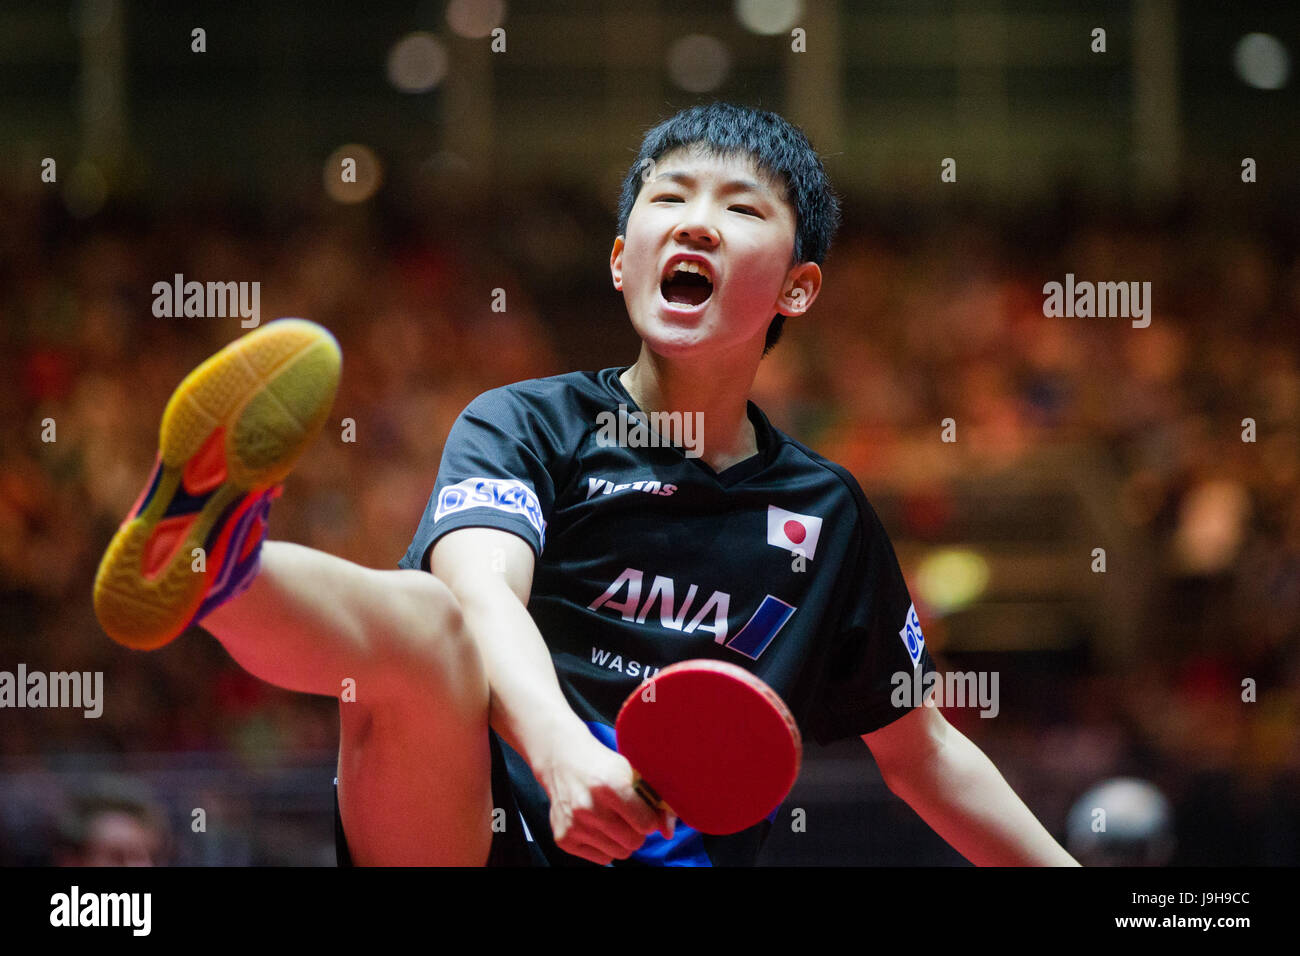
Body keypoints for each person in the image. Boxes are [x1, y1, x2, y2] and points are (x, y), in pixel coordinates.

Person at [94, 102, 1078, 866]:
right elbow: (482, 594)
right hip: (461, 835)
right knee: (432, 620)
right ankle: (215, 559)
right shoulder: (529, 424)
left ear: (796, 285)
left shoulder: (827, 517)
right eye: (668, 197)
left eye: (740, 208)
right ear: (620, 261)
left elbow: (925, 756)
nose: (697, 223)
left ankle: (218, 558)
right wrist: (564, 754)